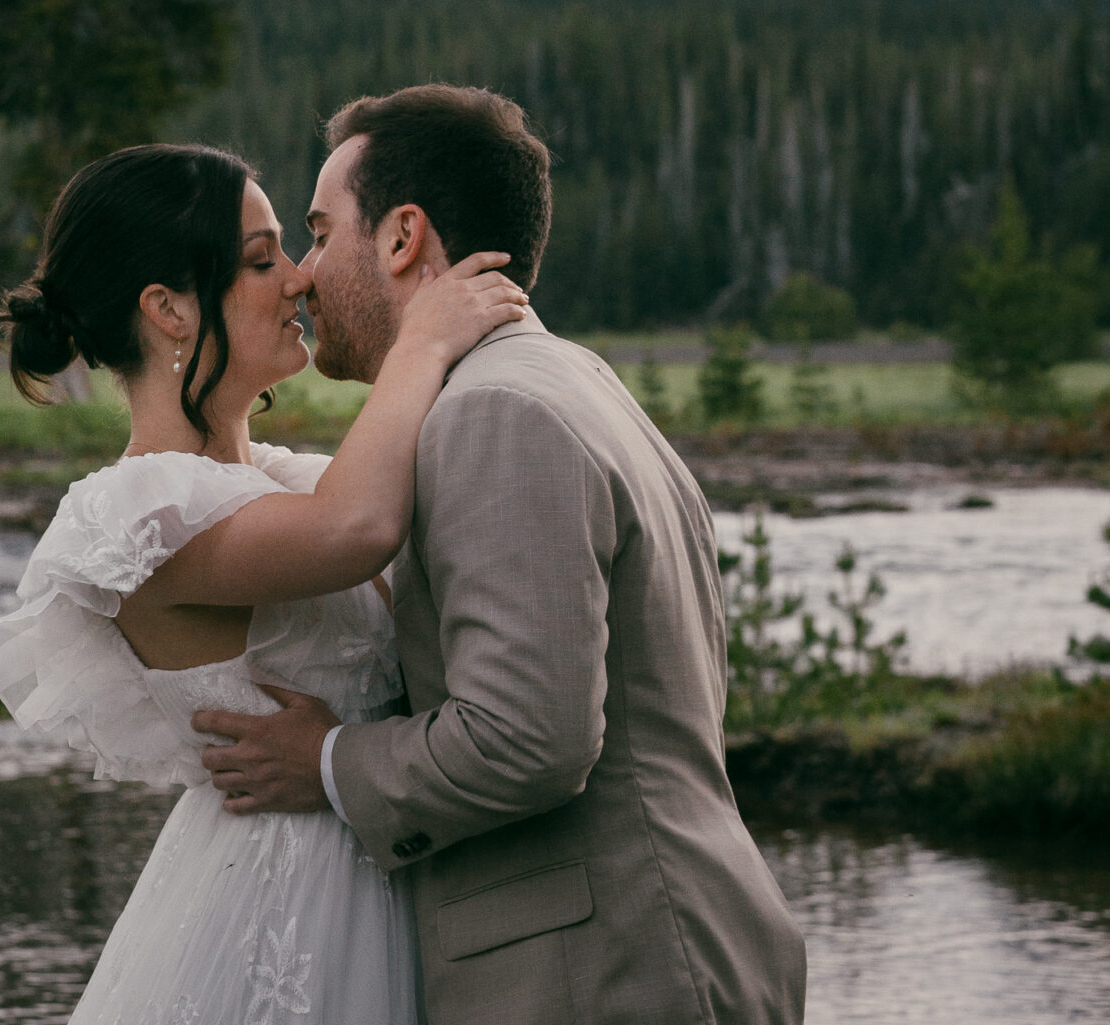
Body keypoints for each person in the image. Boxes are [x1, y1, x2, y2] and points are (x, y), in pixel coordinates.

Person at [194, 85, 809, 1024]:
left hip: (604, 970)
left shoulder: (494, 414)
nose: (306, 273)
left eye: (322, 233)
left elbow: (532, 737)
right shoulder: (570, 379)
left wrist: (324, 759)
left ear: (403, 238)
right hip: (656, 948)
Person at [0, 141, 528, 1024]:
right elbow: (357, 531)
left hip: (401, 875)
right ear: (169, 309)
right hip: (283, 906)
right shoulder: (137, 511)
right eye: (261, 258)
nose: (300, 281)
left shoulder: (289, 477)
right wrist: (421, 342)